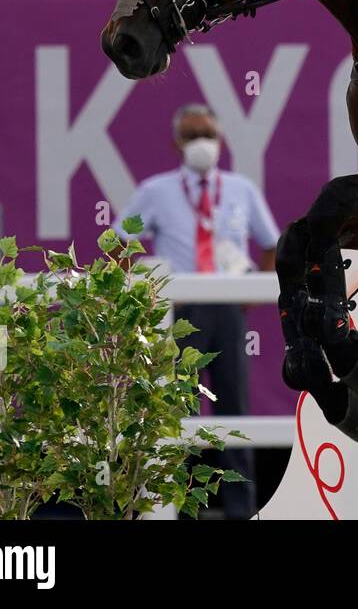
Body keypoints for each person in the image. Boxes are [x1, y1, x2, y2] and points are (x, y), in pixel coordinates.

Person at [119, 103, 280, 518]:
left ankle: (241, 511)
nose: (200, 143)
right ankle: (173, 506)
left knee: (234, 412)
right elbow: (120, 243)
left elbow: (271, 244)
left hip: (228, 311)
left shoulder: (241, 189)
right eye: (191, 136)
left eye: (207, 134)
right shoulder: (156, 191)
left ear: (221, 140)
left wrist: (254, 293)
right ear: (176, 143)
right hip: (179, 311)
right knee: (177, 414)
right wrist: (142, 297)